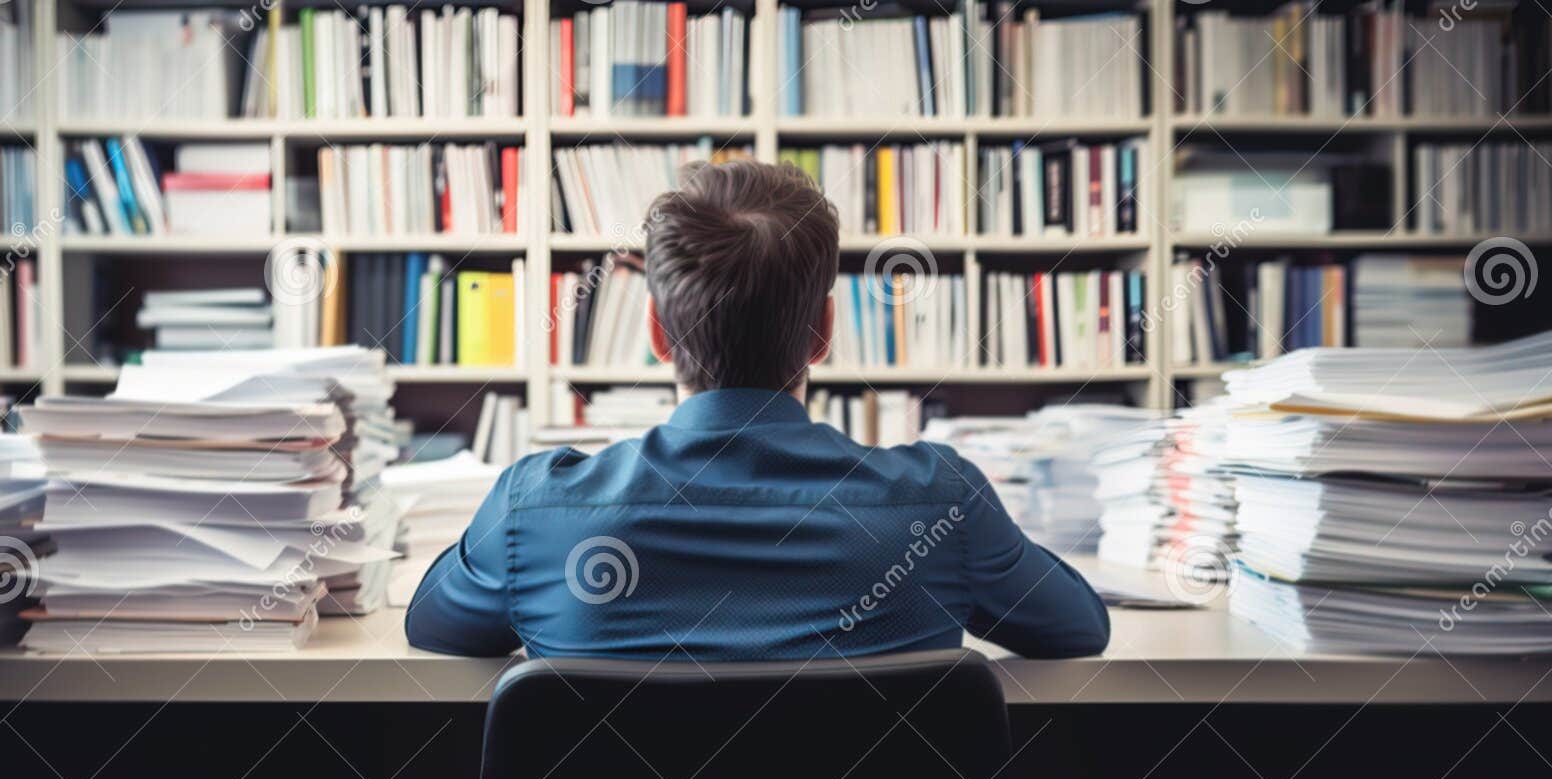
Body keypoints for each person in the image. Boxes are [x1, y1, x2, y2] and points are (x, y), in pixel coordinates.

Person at [405, 160, 1109, 661]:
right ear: (825, 331)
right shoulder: (940, 502)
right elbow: (1078, 629)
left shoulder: (538, 508)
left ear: (654, 331)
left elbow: (435, 627)